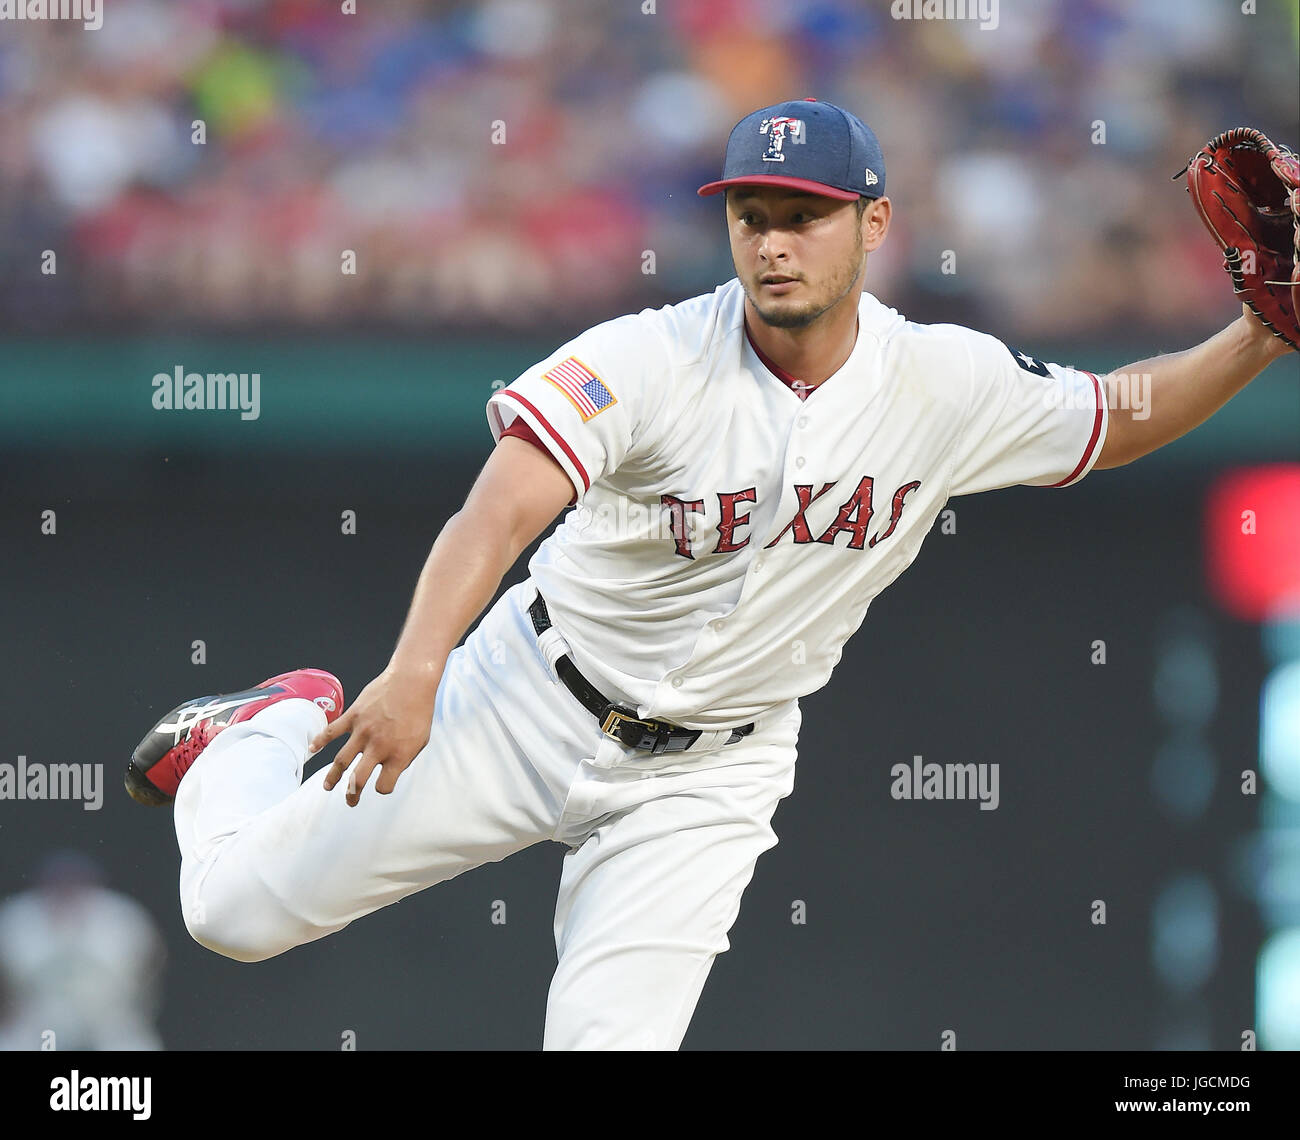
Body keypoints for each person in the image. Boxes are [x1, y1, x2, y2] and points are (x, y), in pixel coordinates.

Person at [127, 99, 1293, 1050]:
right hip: (526, 698)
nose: (773, 242)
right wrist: (417, 667)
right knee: (230, 914)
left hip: (706, 780)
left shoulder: (943, 381)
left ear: (874, 223)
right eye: (751, 215)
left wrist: (1259, 335)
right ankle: (257, 734)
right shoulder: (647, 358)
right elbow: (497, 509)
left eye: (805, 215)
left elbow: (1115, 418)